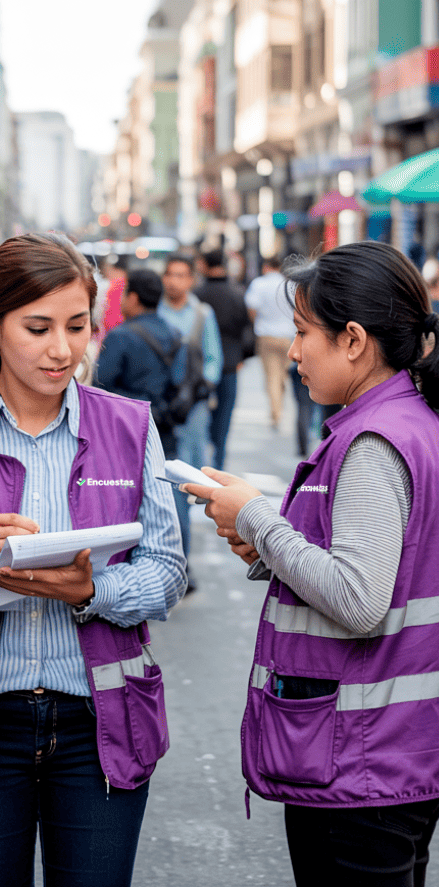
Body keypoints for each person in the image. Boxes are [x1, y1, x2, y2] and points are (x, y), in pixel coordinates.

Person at [0, 233, 186, 888]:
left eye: (77, 327)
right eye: (38, 327)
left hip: (98, 720)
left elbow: (166, 573)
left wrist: (89, 592)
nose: (61, 349)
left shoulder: (129, 427)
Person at [184, 241, 439, 888]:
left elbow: (358, 599)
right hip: (392, 753)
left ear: (352, 339)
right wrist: (266, 549)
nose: (292, 350)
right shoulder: (410, 424)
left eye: (302, 332)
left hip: (363, 761)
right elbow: (394, 569)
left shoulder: (372, 442)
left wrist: (255, 518)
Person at [158, 254, 222, 584]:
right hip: (160, 409)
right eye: (169, 274)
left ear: (190, 279)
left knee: (184, 485)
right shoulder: (154, 312)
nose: (174, 281)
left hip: (192, 412)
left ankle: (182, 562)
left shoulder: (201, 314)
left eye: (181, 275)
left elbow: (214, 358)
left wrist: (202, 388)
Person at [94, 266, 183, 458]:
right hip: (165, 429)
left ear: (133, 298)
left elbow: (100, 386)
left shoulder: (120, 336)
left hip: (127, 430)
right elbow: (181, 382)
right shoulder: (175, 334)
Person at [195, 247, 251, 470]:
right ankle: (218, 463)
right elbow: (247, 331)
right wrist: (241, 357)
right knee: (224, 418)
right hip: (230, 364)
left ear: (205, 265)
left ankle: (202, 462)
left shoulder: (197, 295)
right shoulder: (237, 293)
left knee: (199, 416)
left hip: (200, 367)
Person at [245, 255, 296, 428]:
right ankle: (279, 405)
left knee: (272, 376)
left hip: (266, 335)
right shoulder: (289, 285)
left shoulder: (259, 284)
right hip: (288, 337)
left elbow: (252, 308)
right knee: (282, 375)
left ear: (266, 267)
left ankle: (276, 412)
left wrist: (257, 322)